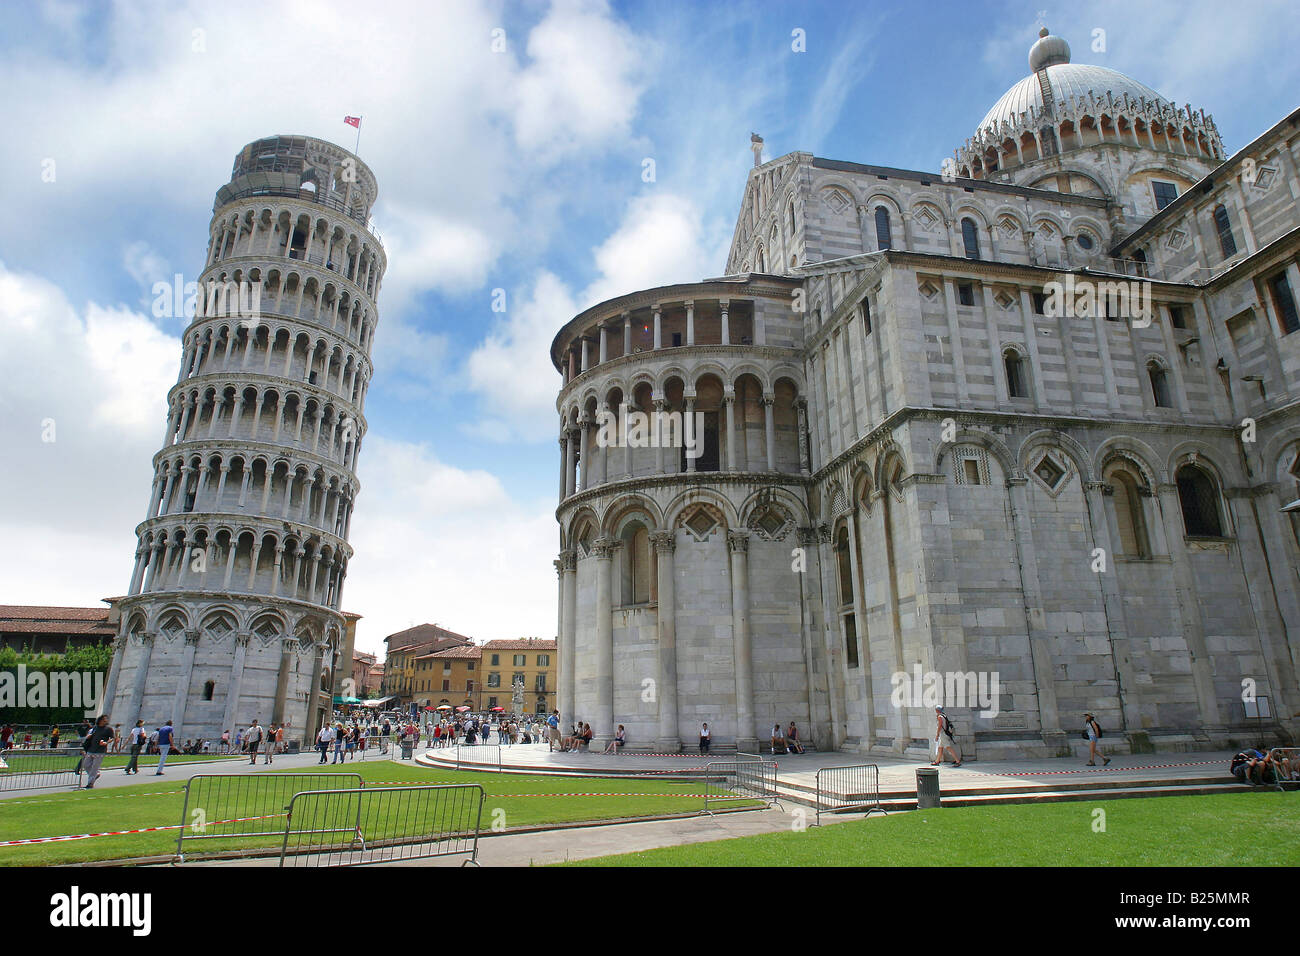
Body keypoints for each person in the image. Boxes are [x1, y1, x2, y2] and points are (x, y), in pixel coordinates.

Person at [80, 715, 115, 789]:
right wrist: (88, 736)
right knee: (86, 765)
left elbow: (112, 738)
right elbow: (91, 734)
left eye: (106, 719)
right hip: (91, 749)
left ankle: (90, 783)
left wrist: (106, 742)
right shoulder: (95, 728)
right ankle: (95, 775)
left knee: (95, 768)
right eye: (104, 719)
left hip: (100, 751)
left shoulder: (108, 729)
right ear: (100, 720)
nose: (105, 721)